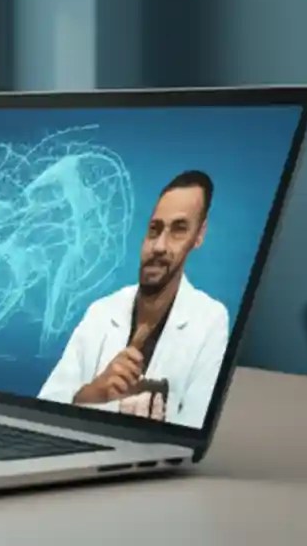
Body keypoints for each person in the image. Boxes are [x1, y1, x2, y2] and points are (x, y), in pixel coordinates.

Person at [37, 170, 230, 428]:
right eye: (154, 229)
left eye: (178, 230)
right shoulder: (102, 312)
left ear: (199, 235)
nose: (159, 246)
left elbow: (193, 427)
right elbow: (45, 405)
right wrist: (95, 393)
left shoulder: (210, 321)